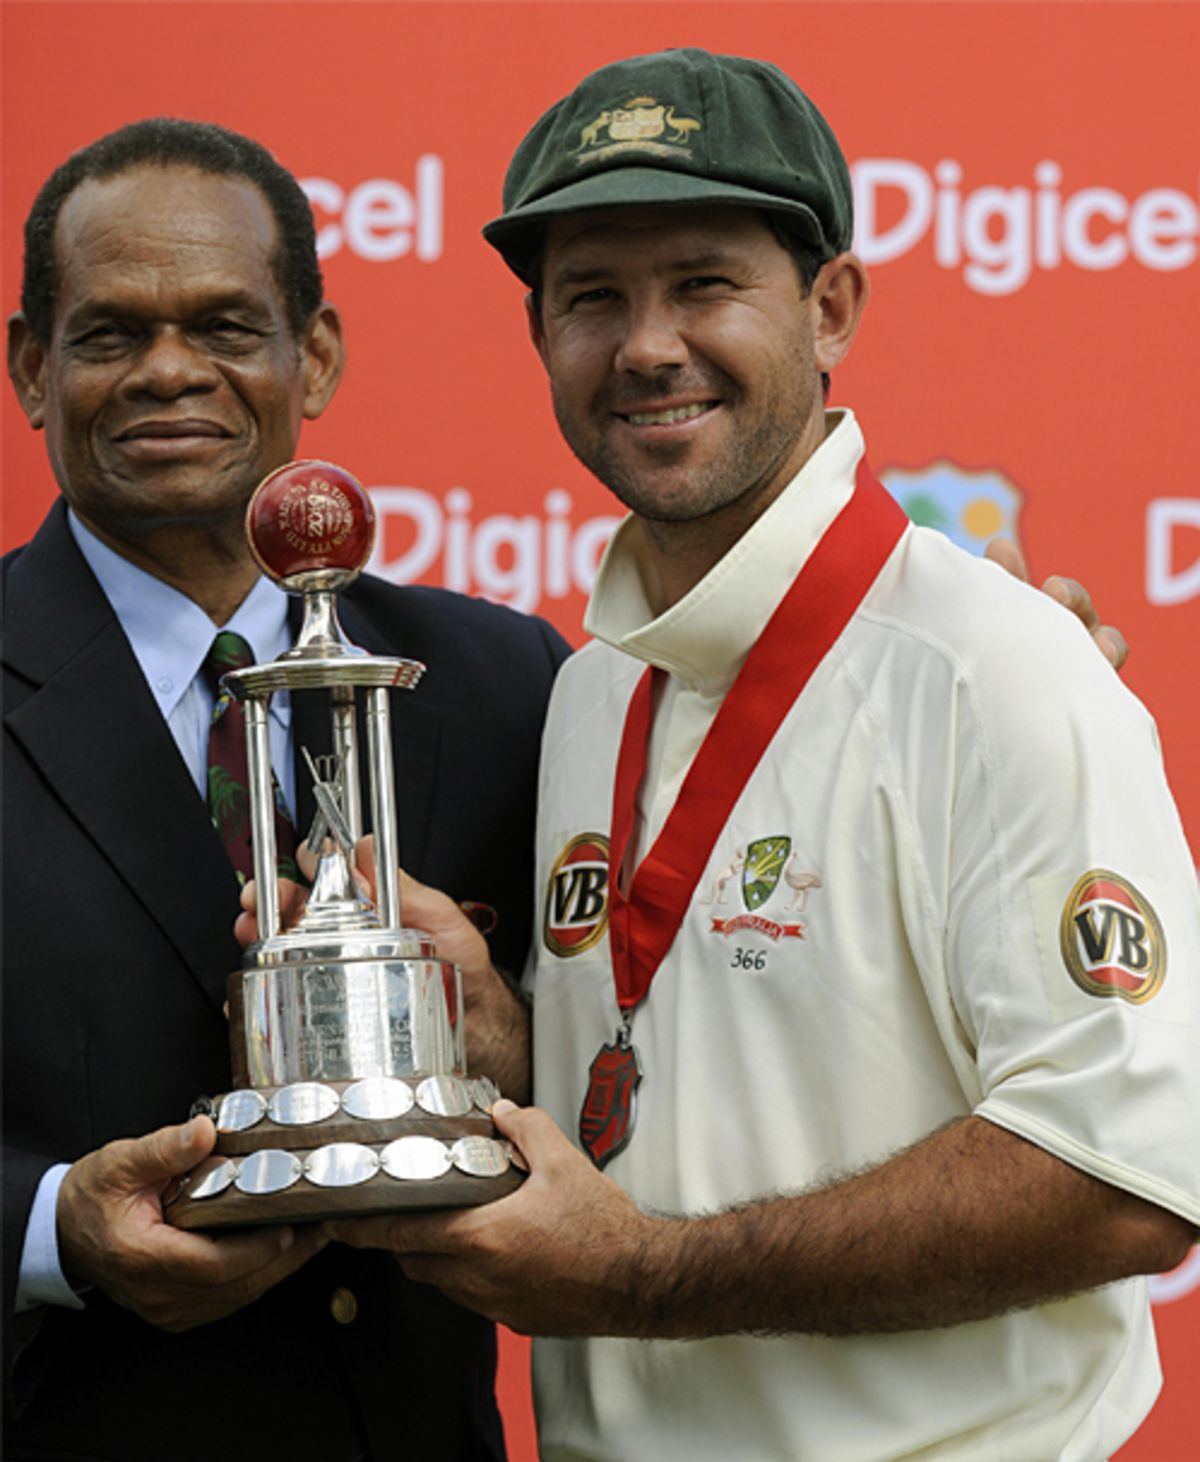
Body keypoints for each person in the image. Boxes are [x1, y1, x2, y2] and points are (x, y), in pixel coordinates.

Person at [328, 49, 1200, 1461]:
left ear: (832, 305)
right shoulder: (596, 689)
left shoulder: (995, 667)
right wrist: (508, 1041)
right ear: (540, 334)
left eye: (702, 282)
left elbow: (1121, 1179)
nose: (648, 345)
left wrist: (635, 1277)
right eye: (593, 298)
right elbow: (705, 1089)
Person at [2, 118, 567, 1461]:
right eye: (110, 335)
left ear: (314, 354)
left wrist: (511, 1040)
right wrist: (49, 1228)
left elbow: (662, 1043)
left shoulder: (502, 681)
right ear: (30, 367)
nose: (170, 372)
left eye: (224, 326)